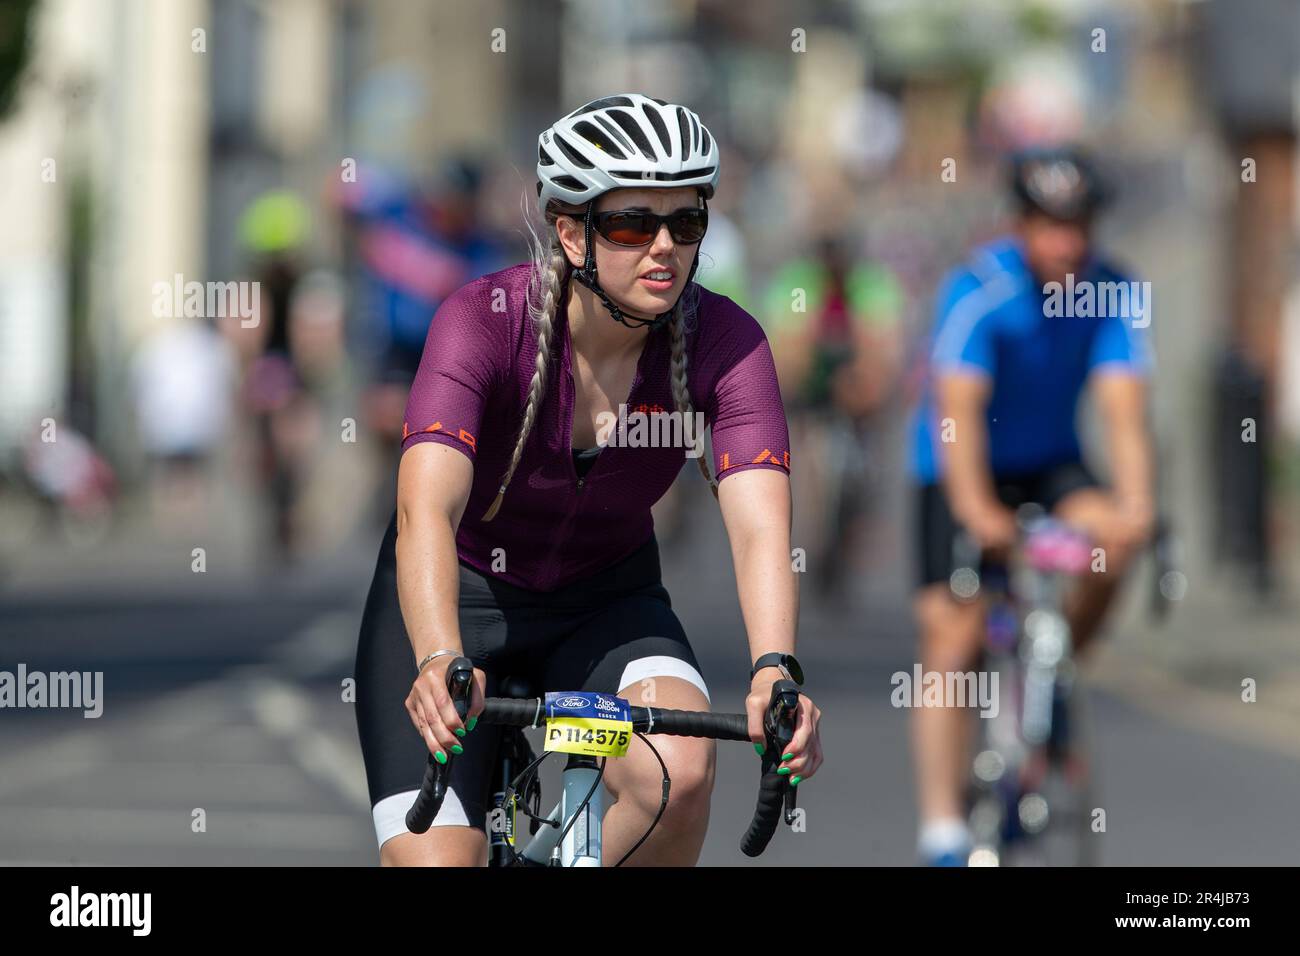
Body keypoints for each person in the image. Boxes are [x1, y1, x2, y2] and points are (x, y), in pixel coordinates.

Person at [354, 93, 824, 866]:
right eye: (633, 224)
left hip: (606, 602)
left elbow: (760, 527)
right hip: (462, 598)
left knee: (680, 772)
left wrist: (775, 669)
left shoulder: (728, 345)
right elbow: (425, 510)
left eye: (687, 223)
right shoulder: (482, 320)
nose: (664, 248)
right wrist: (438, 656)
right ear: (571, 233)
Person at [907, 146, 1155, 866]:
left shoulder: (1112, 289)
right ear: (1018, 225)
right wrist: (980, 515)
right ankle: (943, 825)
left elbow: (1123, 408)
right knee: (951, 638)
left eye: (1079, 225)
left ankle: (1053, 664)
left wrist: (1136, 506)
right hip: (959, 466)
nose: (1067, 244)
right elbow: (954, 410)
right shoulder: (977, 289)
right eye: (1050, 226)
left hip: (1050, 463)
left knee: (1116, 539)